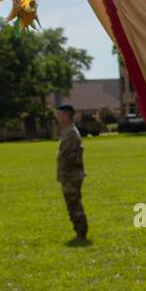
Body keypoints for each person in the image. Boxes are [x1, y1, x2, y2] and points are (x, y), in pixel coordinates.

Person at [55, 104, 88, 243]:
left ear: (67, 115)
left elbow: (68, 157)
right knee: (73, 203)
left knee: (74, 204)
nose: (57, 117)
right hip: (69, 174)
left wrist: (64, 173)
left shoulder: (70, 133)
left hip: (71, 175)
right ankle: (80, 232)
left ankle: (81, 233)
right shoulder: (67, 131)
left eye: (59, 114)